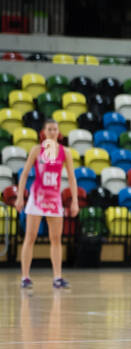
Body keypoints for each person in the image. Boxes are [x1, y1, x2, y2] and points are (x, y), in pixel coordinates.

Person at [16, 118, 78, 289]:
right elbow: (24, 174)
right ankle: (25, 276)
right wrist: (20, 196)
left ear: (59, 132)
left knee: (56, 238)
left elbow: (72, 178)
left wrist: (75, 201)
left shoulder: (65, 152)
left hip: (54, 198)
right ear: (43, 132)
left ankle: (57, 277)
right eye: (50, 129)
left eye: (55, 129)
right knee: (30, 237)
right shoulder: (37, 150)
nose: (53, 132)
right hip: (37, 197)